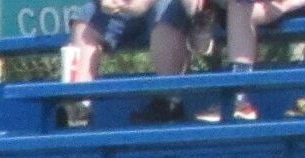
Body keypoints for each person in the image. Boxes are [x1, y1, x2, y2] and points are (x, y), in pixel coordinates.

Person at [67, 0, 206, 123]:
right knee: (86, 15)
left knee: (165, 11)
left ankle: (169, 100)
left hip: (163, 8)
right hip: (126, 10)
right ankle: (81, 104)